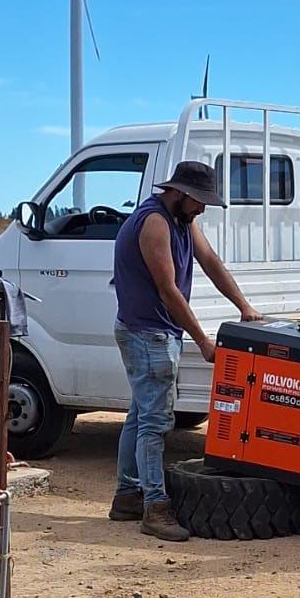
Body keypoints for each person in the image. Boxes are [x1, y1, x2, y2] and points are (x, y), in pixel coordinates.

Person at [108, 160, 262, 541]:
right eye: (199, 201)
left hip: (152, 331)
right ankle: (154, 508)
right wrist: (203, 341)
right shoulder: (155, 223)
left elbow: (210, 262)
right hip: (149, 334)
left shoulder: (182, 221)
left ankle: (127, 496)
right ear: (179, 192)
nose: (203, 209)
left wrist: (244, 306)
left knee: (140, 415)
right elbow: (168, 290)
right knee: (156, 422)